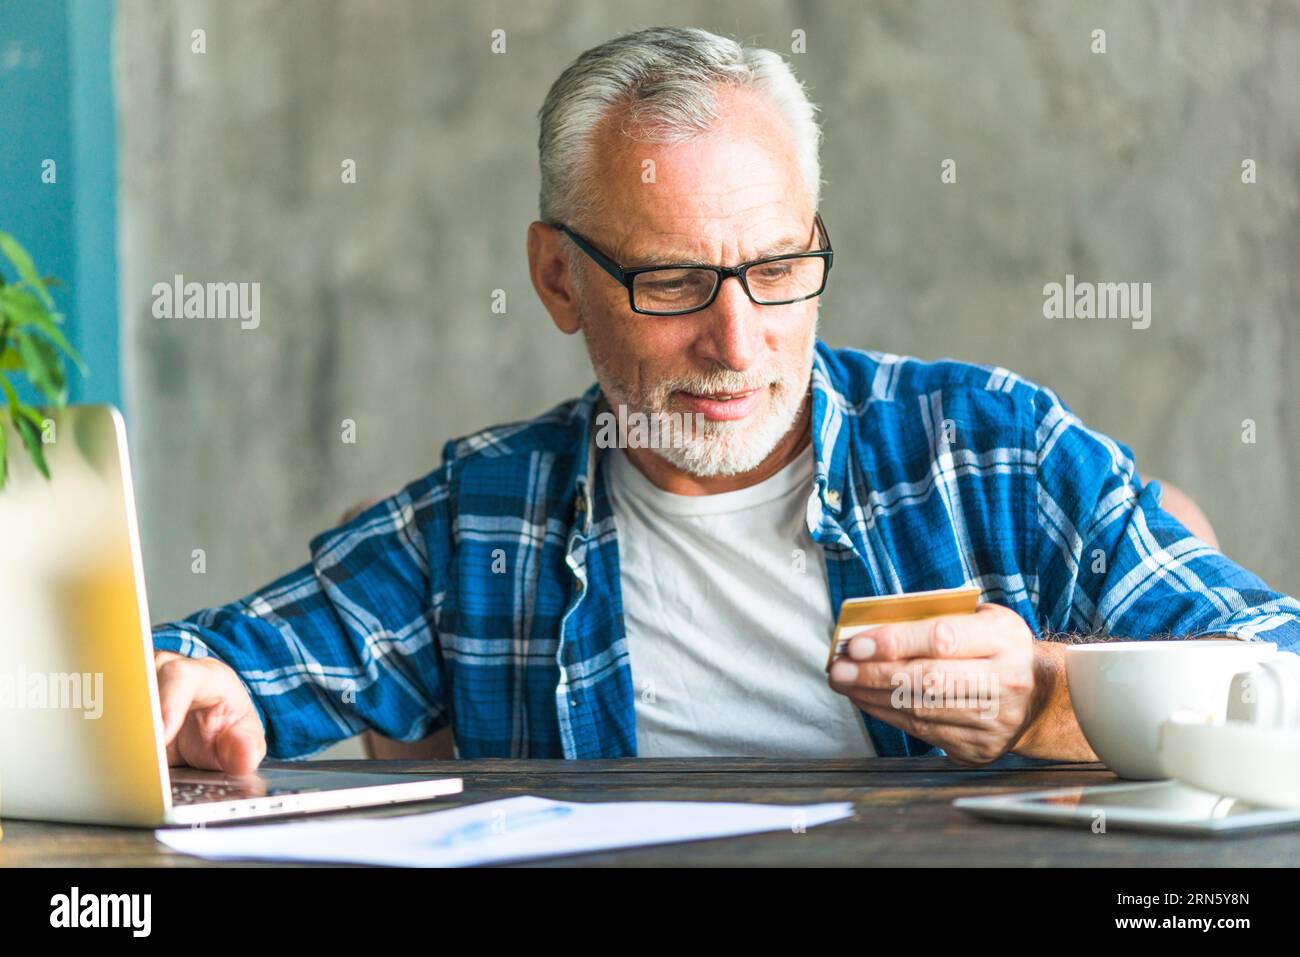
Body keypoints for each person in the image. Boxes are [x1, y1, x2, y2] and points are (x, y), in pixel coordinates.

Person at [152, 26, 1300, 775]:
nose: (737, 339)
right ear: (559, 278)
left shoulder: (990, 455)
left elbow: (1280, 681)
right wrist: (193, 694)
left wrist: (1052, 696)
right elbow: (195, 673)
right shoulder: (484, 524)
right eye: (672, 283)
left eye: (778, 269)